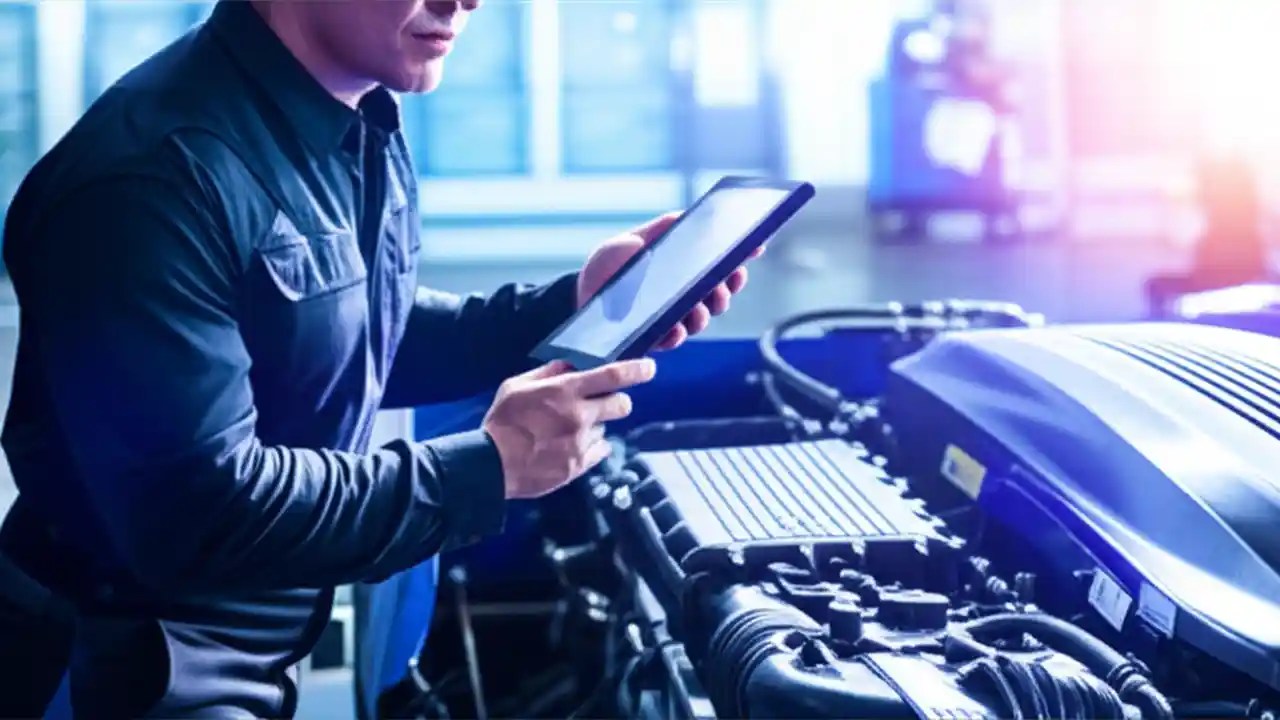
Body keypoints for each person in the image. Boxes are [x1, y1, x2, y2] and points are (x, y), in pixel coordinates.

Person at [0, 0, 758, 716]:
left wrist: (570, 305)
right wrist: (488, 466)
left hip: (252, 640)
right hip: (126, 671)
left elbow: (351, 334)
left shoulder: (354, 120)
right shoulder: (149, 182)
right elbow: (202, 506)